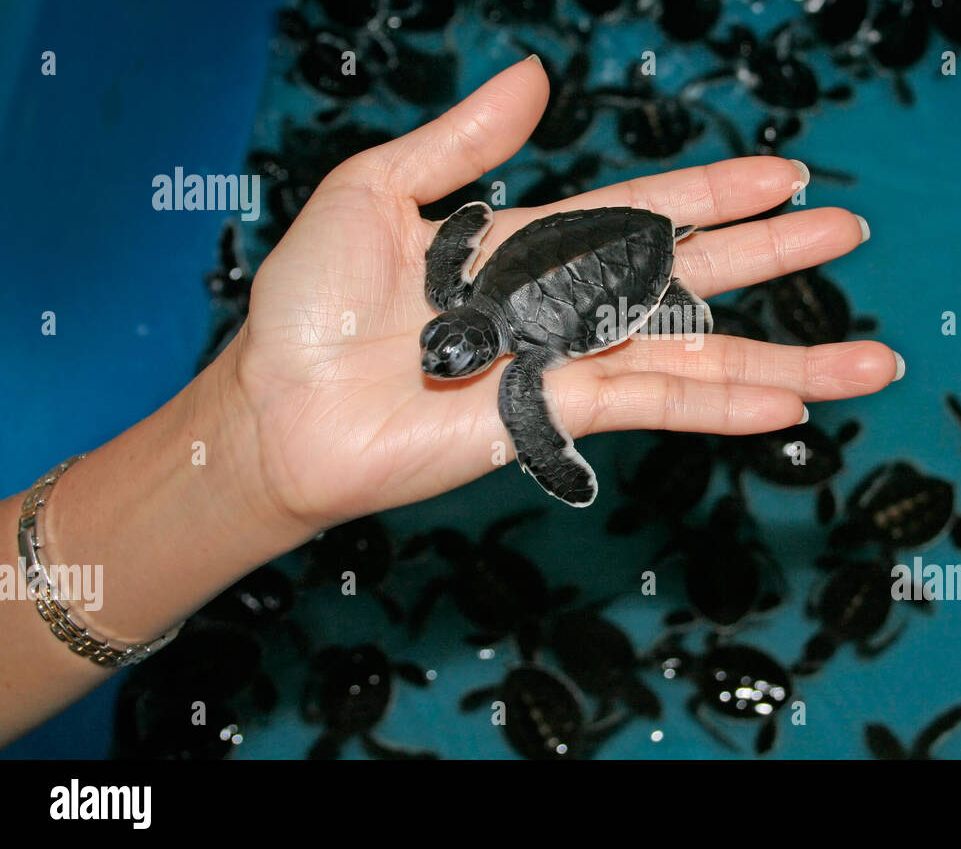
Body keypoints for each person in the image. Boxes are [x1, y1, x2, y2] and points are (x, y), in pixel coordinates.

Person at [0, 58, 902, 745]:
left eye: (449, 351)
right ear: (449, 325)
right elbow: (472, 259)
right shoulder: (479, 319)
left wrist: (551, 439)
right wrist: (252, 458)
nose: (442, 358)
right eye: (444, 351)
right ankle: (669, 291)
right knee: (654, 328)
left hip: (604, 258)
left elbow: (481, 285)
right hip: (574, 264)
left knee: (671, 317)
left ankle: (671, 290)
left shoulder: (502, 345)